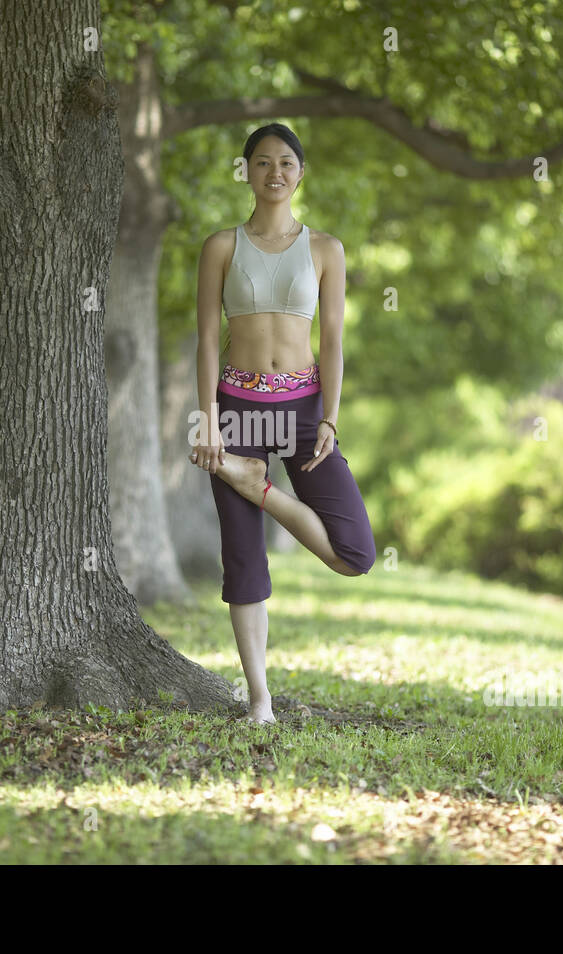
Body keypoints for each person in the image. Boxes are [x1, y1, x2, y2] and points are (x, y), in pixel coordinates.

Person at [189, 122, 376, 724]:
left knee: (354, 554)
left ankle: (258, 485)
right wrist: (210, 424)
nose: (275, 173)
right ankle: (259, 698)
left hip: (302, 412)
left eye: (287, 163)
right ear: (245, 171)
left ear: (301, 174)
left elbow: (335, 342)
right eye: (263, 162)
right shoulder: (221, 246)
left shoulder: (325, 249)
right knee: (243, 558)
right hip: (236, 409)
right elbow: (205, 341)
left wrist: (330, 418)